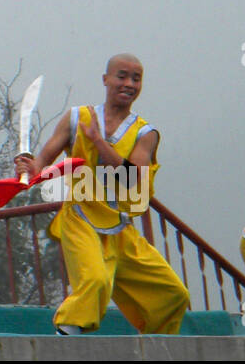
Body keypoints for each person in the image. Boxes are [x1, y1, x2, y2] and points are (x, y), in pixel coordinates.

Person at [15, 53, 188, 335]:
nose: (129, 83)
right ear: (105, 79)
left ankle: (158, 345)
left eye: (136, 78)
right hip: (81, 219)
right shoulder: (75, 118)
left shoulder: (146, 133)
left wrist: (98, 141)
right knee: (94, 280)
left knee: (172, 294)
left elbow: (131, 177)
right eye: (122, 76)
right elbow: (43, 161)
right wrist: (28, 166)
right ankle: (65, 338)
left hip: (121, 229)